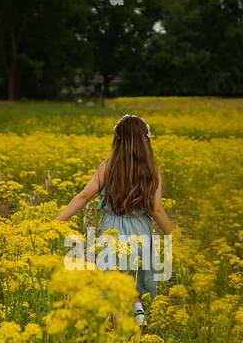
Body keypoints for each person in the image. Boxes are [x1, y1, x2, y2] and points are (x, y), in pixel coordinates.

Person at [55, 113, 174, 326]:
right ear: (145, 140)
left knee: (113, 283)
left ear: (117, 140)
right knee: (133, 279)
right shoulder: (152, 170)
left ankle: (121, 331)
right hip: (141, 233)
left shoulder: (107, 167)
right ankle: (139, 317)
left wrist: (55, 222)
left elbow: (83, 196)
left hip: (112, 232)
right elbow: (157, 210)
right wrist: (175, 236)